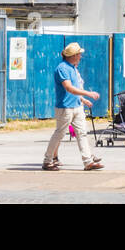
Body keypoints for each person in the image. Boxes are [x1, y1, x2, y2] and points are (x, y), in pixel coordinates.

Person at [43, 42, 102, 171]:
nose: (81, 57)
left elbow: (75, 90)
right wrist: (88, 94)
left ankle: (88, 162)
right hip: (65, 107)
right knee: (59, 134)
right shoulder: (62, 68)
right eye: (79, 54)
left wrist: (83, 100)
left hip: (76, 106)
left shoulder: (73, 68)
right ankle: (48, 160)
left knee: (82, 133)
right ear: (73, 55)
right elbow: (69, 88)